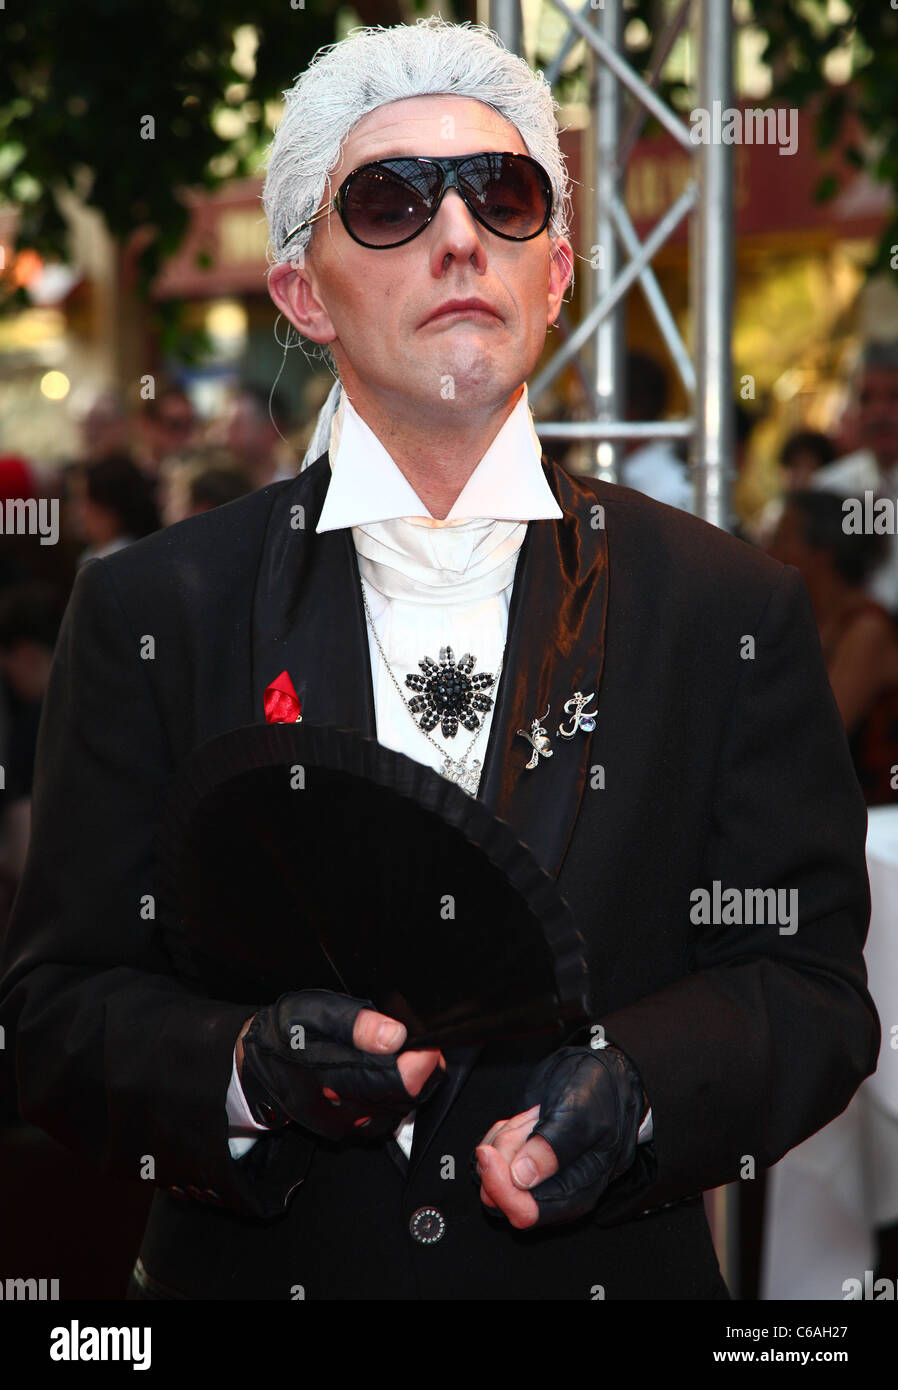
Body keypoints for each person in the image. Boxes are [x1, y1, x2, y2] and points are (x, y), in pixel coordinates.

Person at [0, 17, 878, 1302]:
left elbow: (807, 984)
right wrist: (243, 1067)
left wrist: (635, 1086)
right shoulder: (154, 606)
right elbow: (61, 1009)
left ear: (558, 270)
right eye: (390, 202)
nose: (458, 235)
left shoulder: (722, 604)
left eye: (503, 194)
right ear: (302, 292)